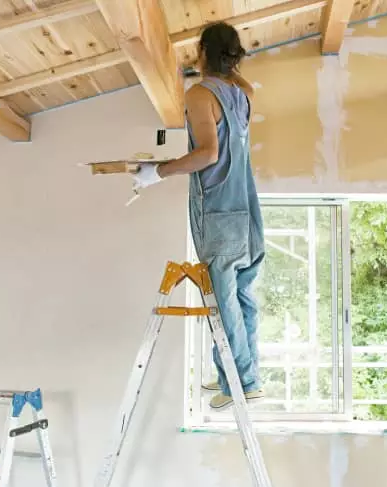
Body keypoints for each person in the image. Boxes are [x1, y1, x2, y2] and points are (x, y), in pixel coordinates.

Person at [131, 22, 264, 412]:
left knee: (224, 302)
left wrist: (156, 173)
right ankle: (234, 373)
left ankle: (244, 382)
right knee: (241, 299)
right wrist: (220, 67)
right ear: (233, 56)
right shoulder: (244, 93)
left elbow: (206, 153)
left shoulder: (199, 94)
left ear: (203, 51)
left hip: (219, 212)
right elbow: (235, 82)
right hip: (247, 213)